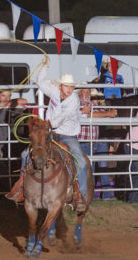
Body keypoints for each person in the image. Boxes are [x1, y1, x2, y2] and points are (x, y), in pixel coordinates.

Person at [6, 57, 90, 213]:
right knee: (26, 154)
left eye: (72, 87)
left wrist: (48, 124)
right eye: (67, 86)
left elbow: (63, 116)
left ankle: (81, 197)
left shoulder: (74, 100)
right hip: (50, 134)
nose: (70, 89)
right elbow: (41, 82)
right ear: (61, 86)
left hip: (67, 136)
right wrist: (45, 66)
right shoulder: (54, 92)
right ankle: (21, 188)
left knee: (81, 161)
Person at [78, 86, 118, 200]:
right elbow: (90, 115)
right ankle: (84, 197)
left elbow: (100, 114)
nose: (86, 93)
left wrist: (110, 113)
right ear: (80, 93)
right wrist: (108, 113)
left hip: (93, 143)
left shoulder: (93, 105)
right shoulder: (78, 103)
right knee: (84, 171)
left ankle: (90, 197)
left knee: (91, 171)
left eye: (88, 91)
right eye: (84, 91)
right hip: (83, 142)